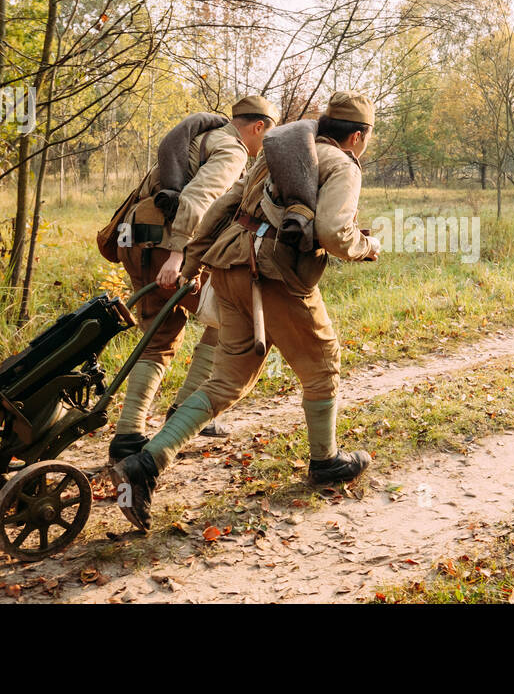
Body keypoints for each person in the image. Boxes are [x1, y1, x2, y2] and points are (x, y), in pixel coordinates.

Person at [110, 91, 381, 531]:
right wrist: (366, 246)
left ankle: (146, 464)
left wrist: (194, 260)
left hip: (229, 267)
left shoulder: (278, 153)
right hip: (273, 277)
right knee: (323, 364)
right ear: (357, 136)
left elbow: (223, 206)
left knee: (228, 380)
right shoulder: (341, 164)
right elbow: (334, 231)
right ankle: (326, 461)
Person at [108, 95, 279, 464]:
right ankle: (186, 412)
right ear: (258, 127)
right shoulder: (232, 150)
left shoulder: (199, 139)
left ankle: (127, 435)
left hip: (135, 240)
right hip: (166, 248)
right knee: (228, 318)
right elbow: (199, 199)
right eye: (267, 136)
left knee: (158, 336)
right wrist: (177, 255)